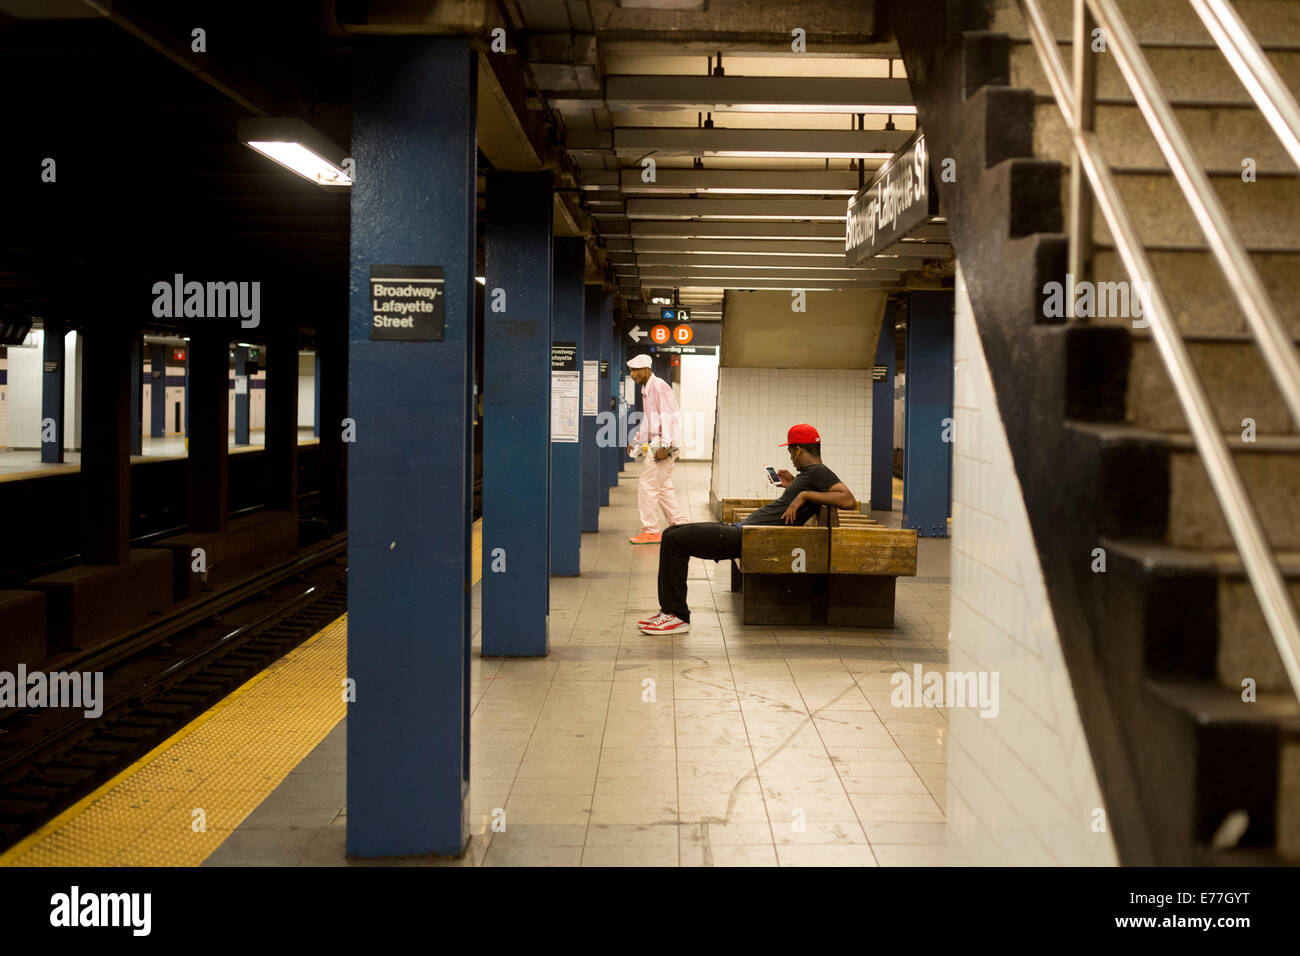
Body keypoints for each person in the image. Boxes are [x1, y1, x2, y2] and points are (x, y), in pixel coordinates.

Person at [637, 424, 856, 635]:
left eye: (790, 451)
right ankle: (668, 611)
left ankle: (677, 615)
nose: (790, 457)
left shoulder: (818, 472)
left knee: (676, 540)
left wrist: (804, 495)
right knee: (671, 533)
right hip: (744, 530)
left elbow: (848, 499)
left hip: (748, 537)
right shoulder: (809, 475)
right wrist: (793, 487)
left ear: (798, 450)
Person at [625, 353, 689, 544]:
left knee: (647, 485)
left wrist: (666, 446)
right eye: (631, 371)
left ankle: (651, 530)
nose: (632, 374)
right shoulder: (647, 388)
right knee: (662, 487)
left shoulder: (659, 387)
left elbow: (669, 416)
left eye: (635, 370)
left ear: (646, 370)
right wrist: (637, 441)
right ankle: (678, 523)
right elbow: (650, 420)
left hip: (663, 443)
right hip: (658, 441)